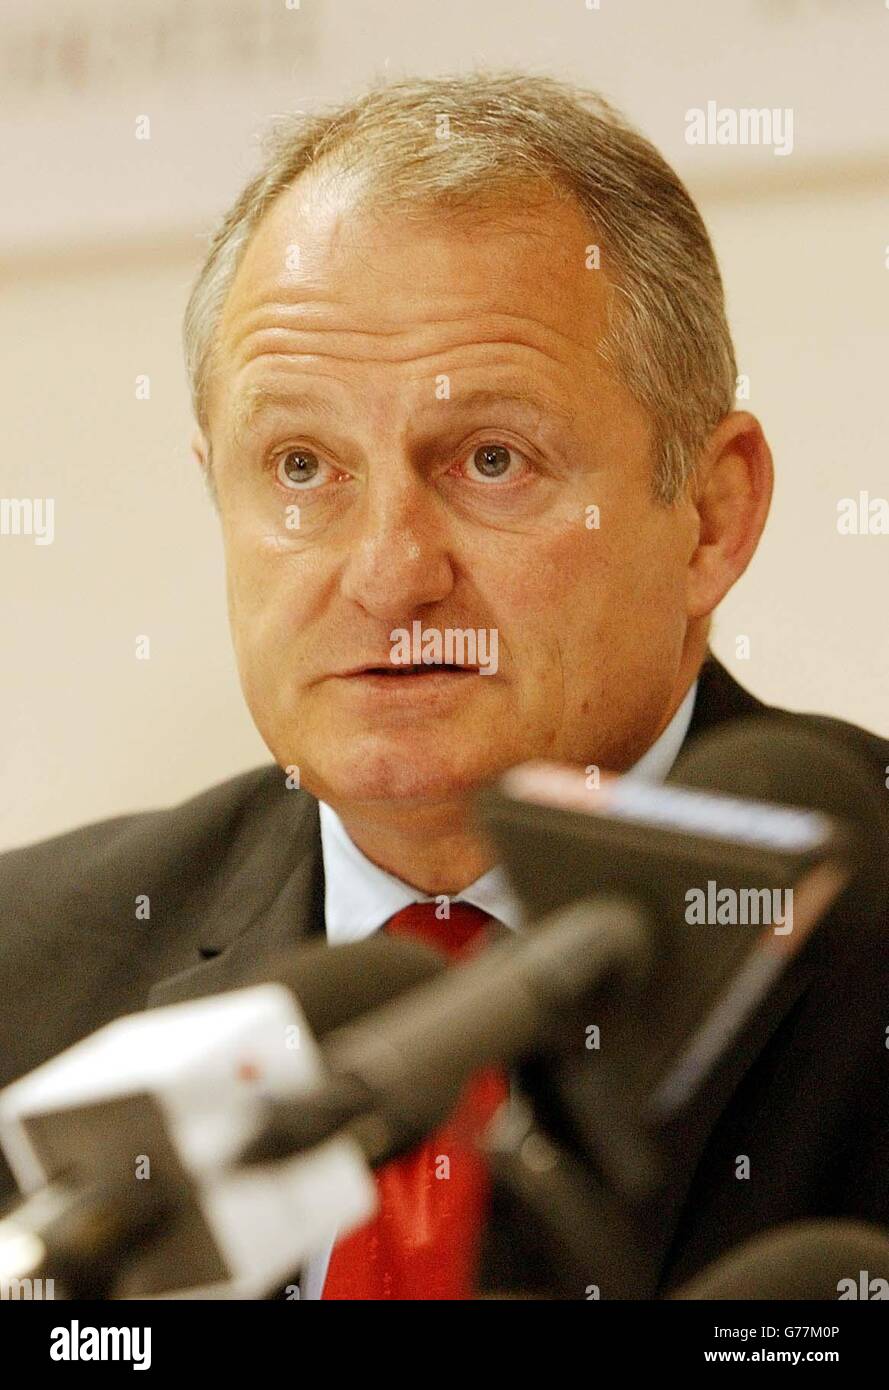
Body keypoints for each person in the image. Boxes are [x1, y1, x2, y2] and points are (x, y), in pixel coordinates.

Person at [2, 73, 887, 1298]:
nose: (388, 573)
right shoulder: (26, 973)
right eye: (302, 465)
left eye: (489, 457)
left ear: (711, 517)